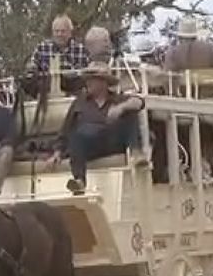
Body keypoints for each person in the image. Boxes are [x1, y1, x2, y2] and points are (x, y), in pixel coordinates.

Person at [48, 61, 148, 195]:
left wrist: (121, 108)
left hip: (112, 141)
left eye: (92, 79)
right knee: (76, 137)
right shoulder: (79, 103)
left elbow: (140, 102)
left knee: (130, 113)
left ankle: (136, 152)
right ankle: (79, 181)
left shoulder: (117, 98)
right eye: (87, 79)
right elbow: (65, 129)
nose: (87, 83)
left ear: (103, 82)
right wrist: (57, 153)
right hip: (90, 144)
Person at [162, 17, 213, 87]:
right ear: (195, 36)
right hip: (209, 94)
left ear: (179, 37)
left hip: (180, 95)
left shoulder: (172, 53)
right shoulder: (210, 49)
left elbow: (166, 79)